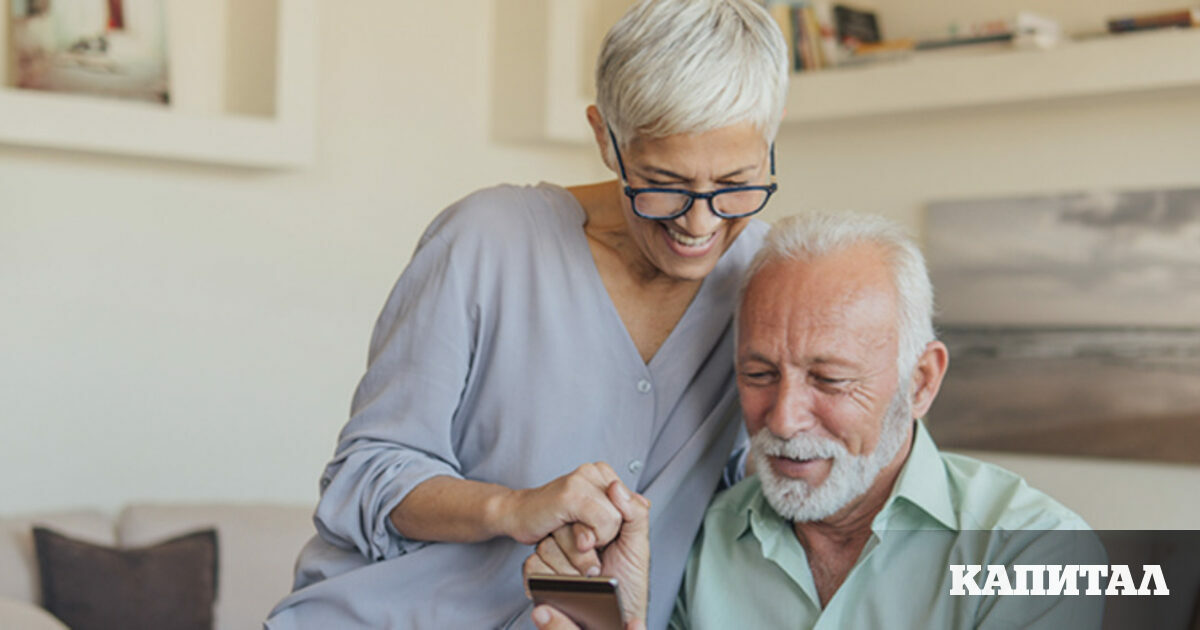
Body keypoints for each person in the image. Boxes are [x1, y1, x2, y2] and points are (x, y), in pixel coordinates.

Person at [265, 1, 789, 628]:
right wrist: (511, 508)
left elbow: (754, 499)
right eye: (663, 184)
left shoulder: (771, 281)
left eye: (734, 184)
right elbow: (366, 473)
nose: (698, 223)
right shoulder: (487, 242)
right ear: (606, 139)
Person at [526, 212, 1103, 630]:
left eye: (829, 379)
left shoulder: (1036, 551)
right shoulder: (707, 536)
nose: (783, 417)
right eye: (758, 373)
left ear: (921, 381)